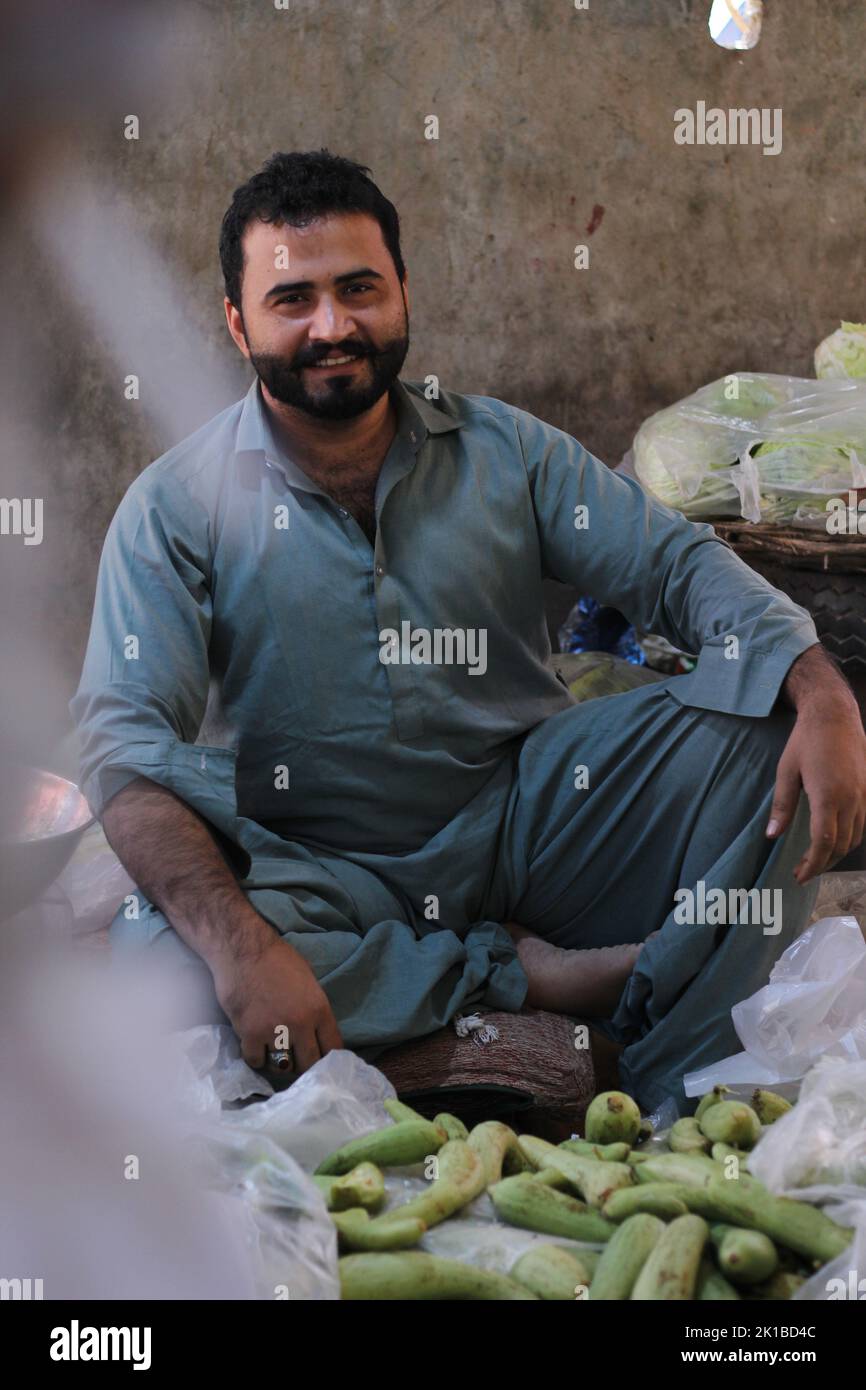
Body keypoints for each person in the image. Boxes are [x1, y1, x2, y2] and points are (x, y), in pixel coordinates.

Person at [70, 150, 866, 1112]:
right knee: (157, 952)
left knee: (773, 740)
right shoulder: (173, 507)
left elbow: (671, 566)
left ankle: (669, 1097)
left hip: (532, 825)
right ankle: (522, 990)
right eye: (293, 300)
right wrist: (248, 951)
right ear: (237, 323)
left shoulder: (505, 450)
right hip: (320, 869)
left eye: (359, 289)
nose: (334, 327)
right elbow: (126, 748)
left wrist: (818, 687)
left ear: (402, 292)